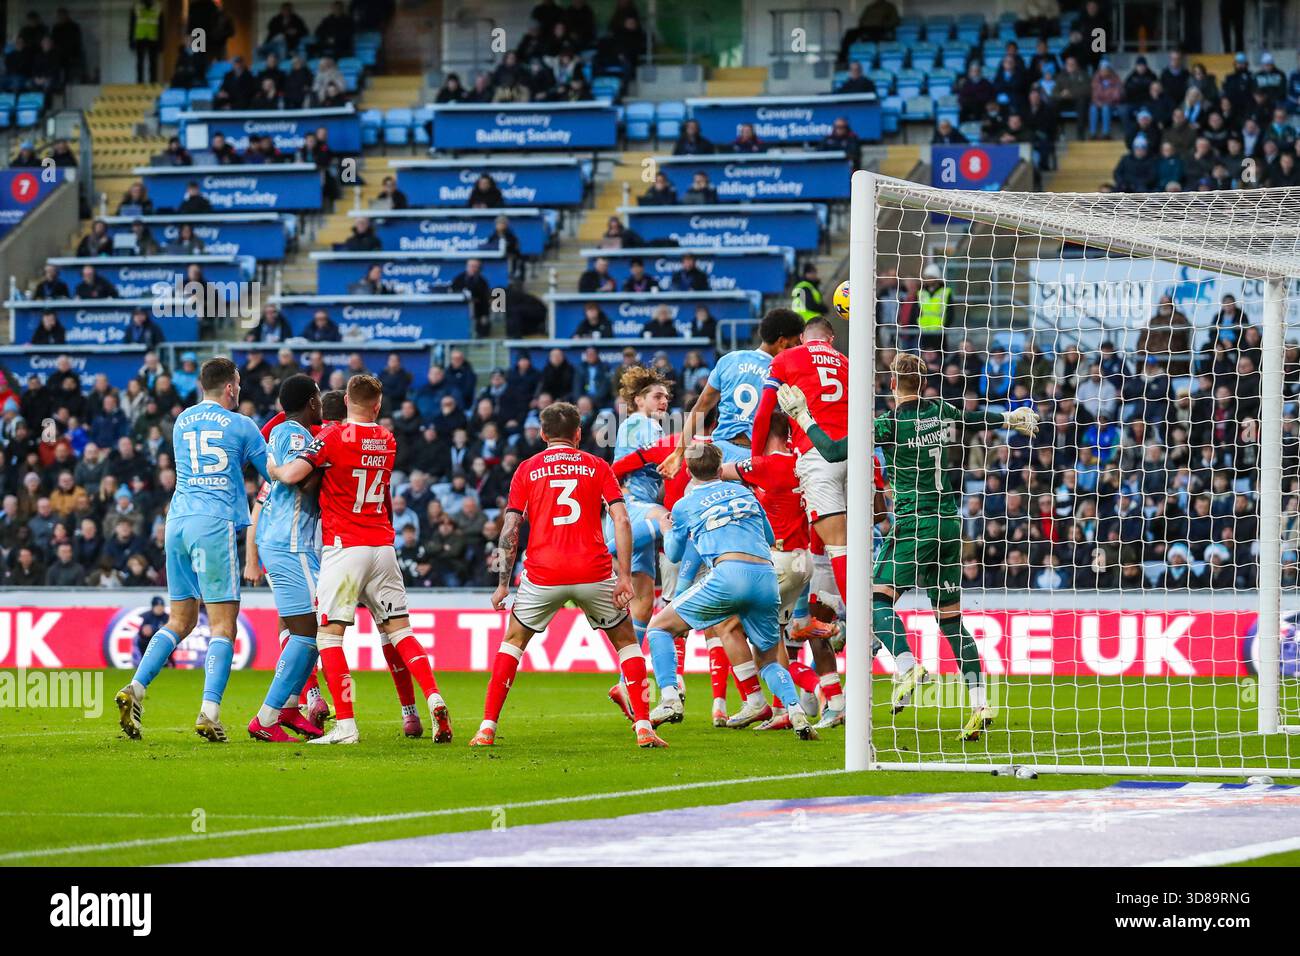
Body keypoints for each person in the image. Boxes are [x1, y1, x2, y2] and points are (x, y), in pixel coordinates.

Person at [778, 351, 1039, 740]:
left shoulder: (890, 423)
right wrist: (1011, 418)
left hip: (916, 524)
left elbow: (833, 451)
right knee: (950, 620)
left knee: (874, 598)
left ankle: (907, 664)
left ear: (891, 384)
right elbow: (974, 417)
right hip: (951, 525)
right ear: (925, 382)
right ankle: (981, 700)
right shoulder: (939, 409)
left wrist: (803, 417)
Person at [271, 374, 453, 745]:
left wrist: (273, 468)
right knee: (401, 632)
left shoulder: (332, 438)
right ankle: (433, 698)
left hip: (345, 548)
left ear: (346, 400)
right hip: (383, 548)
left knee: (329, 637)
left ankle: (347, 726)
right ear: (378, 405)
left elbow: (292, 475)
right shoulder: (387, 440)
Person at [471, 401, 664, 749]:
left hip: (544, 573)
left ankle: (487, 727)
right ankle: (644, 726)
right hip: (593, 569)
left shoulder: (527, 469)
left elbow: (510, 528)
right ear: (578, 434)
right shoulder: (597, 465)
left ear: (543, 434)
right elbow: (621, 520)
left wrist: (502, 584)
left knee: (513, 642)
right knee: (626, 642)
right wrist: (623, 575)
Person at [115, 358, 271, 743]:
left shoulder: (182, 420)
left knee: (180, 621)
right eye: (239, 385)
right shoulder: (242, 424)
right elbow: (275, 473)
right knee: (222, 625)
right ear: (231, 388)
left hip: (177, 522)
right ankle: (209, 712)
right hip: (213, 525)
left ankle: (135, 687)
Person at [643, 442, 817, 739]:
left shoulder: (685, 503)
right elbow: (770, 536)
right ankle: (794, 711)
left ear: (687, 470)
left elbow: (672, 554)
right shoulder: (744, 492)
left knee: (658, 628)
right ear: (719, 465)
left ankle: (670, 698)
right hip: (765, 576)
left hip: (728, 573)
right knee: (765, 658)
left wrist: (667, 527)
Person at [720, 409, 846, 730]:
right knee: (779, 638)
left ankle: (763, 699)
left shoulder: (765, 465)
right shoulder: (803, 463)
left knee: (732, 628)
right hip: (805, 562)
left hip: (780, 562)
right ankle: (787, 710)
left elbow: (716, 472)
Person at [750, 317, 849, 608]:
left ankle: (856, 625)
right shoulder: (848, 361)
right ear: (831, 339)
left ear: (804, 338)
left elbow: (763, 414)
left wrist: (757, 460)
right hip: (857, 454)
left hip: (818, 454)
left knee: (837, 548)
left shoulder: (786, 358)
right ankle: (831, 616)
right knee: (852, 548)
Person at [129, 0, 162, 84]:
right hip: (140, 38)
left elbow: (162, 26)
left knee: (153, 63)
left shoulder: (157, 8)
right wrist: (131, 40)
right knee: (140, 63)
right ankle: (140, 82)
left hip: (153, 38)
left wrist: (161, 42)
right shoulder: (137, 8)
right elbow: (132, 24)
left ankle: (153, 82)